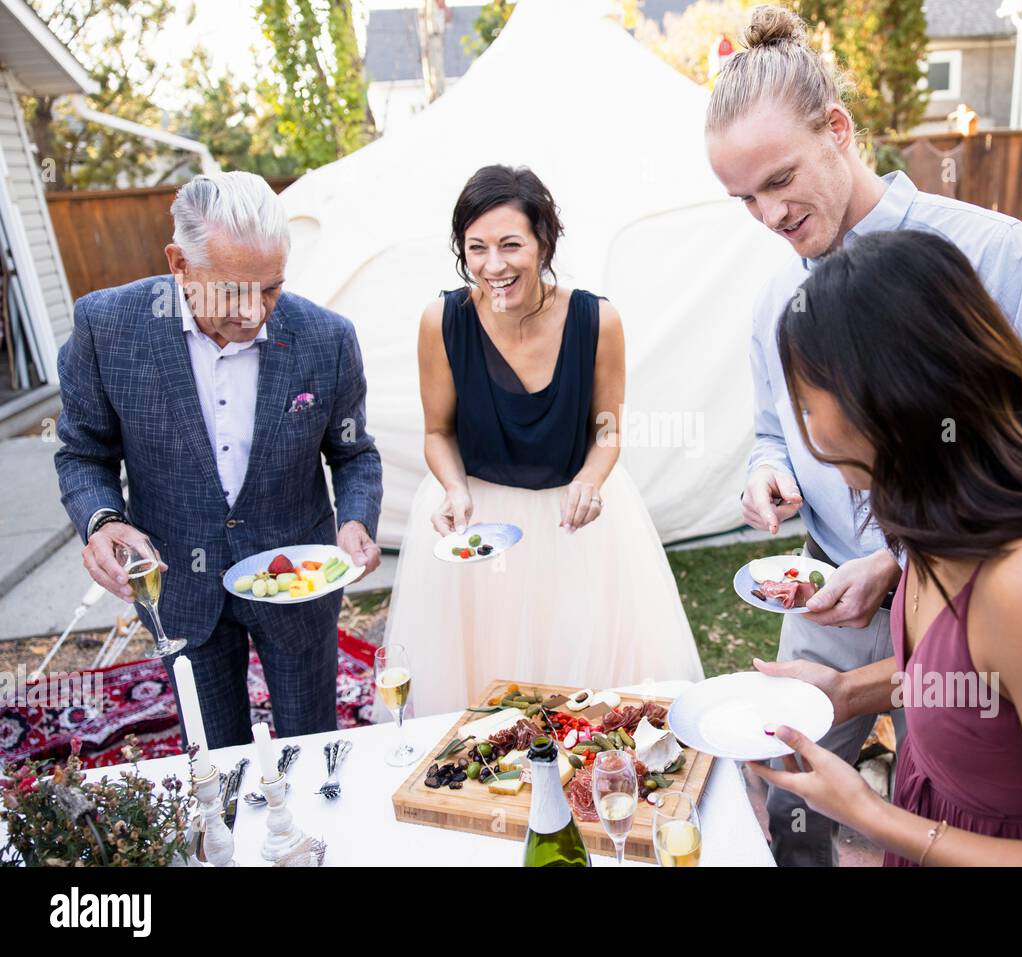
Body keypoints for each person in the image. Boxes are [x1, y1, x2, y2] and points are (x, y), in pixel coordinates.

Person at [704, 4, 1022, 866]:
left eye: (780, 179)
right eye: (743, 199)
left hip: (971, 604)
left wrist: (906, 557)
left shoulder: (994, 254)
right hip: (826, 595)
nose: (766, 214)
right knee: (791, 789)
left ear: (837, 130)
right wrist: (769, 467)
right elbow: (772, 426)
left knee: (947, 800)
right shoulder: (772, 301)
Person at [750, 229, 1022, 865]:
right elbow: (972, 677)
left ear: (887, 395)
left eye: (806, 398)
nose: (800, 423)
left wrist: (871, 815)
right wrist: (844, 691)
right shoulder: (927, 517)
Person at [55, 172, 383, 748]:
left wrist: (355, 520)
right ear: (179, 263)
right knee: (214, 764)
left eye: (272, 288)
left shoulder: (327, 338)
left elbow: (354, 453)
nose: (255, 312)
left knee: (314, 751)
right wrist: (104, 521)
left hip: (298, 585)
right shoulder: (105, 329)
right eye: (232, 291)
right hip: (177, 581)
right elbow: (83, 453)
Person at [384, 165, 702, 716]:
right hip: (482, 528)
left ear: (544, 241)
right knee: (485, 706)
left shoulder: (598, 320)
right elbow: (437, 433)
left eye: (511, 245)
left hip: (575, 528)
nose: (494, 265)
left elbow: (608, 430)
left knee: (594, 706)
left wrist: (590, 479)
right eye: (476, 247)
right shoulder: (442, 320)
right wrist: (453, 489)